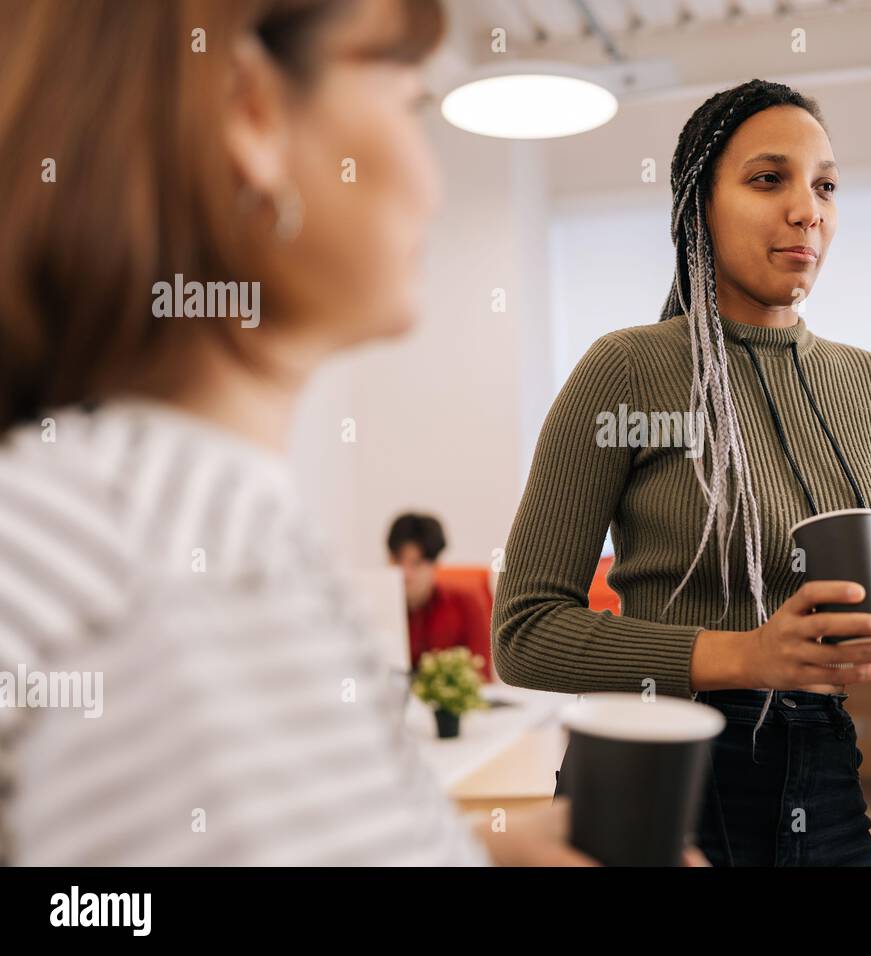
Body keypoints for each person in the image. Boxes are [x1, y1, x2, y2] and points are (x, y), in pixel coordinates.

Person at [0, 0, 588, 866]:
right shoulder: (179, 557)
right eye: (410, 102)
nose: (430, 179)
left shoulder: (125, 509)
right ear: (253, 112)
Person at [492, 78, 871, 867]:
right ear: (697, 207)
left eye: (826, 186)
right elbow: (526, 630)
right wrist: (743, 654)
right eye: (769, 178)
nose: (808, 209)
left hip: (823, 766)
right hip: (658, 774)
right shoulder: (627, 370)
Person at [387, 513, 492, 675]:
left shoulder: (466, 604)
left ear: (434, 564)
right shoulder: (373, 608)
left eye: (416, 563)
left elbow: (481, 675)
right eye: (399, 561)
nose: (405, 573)